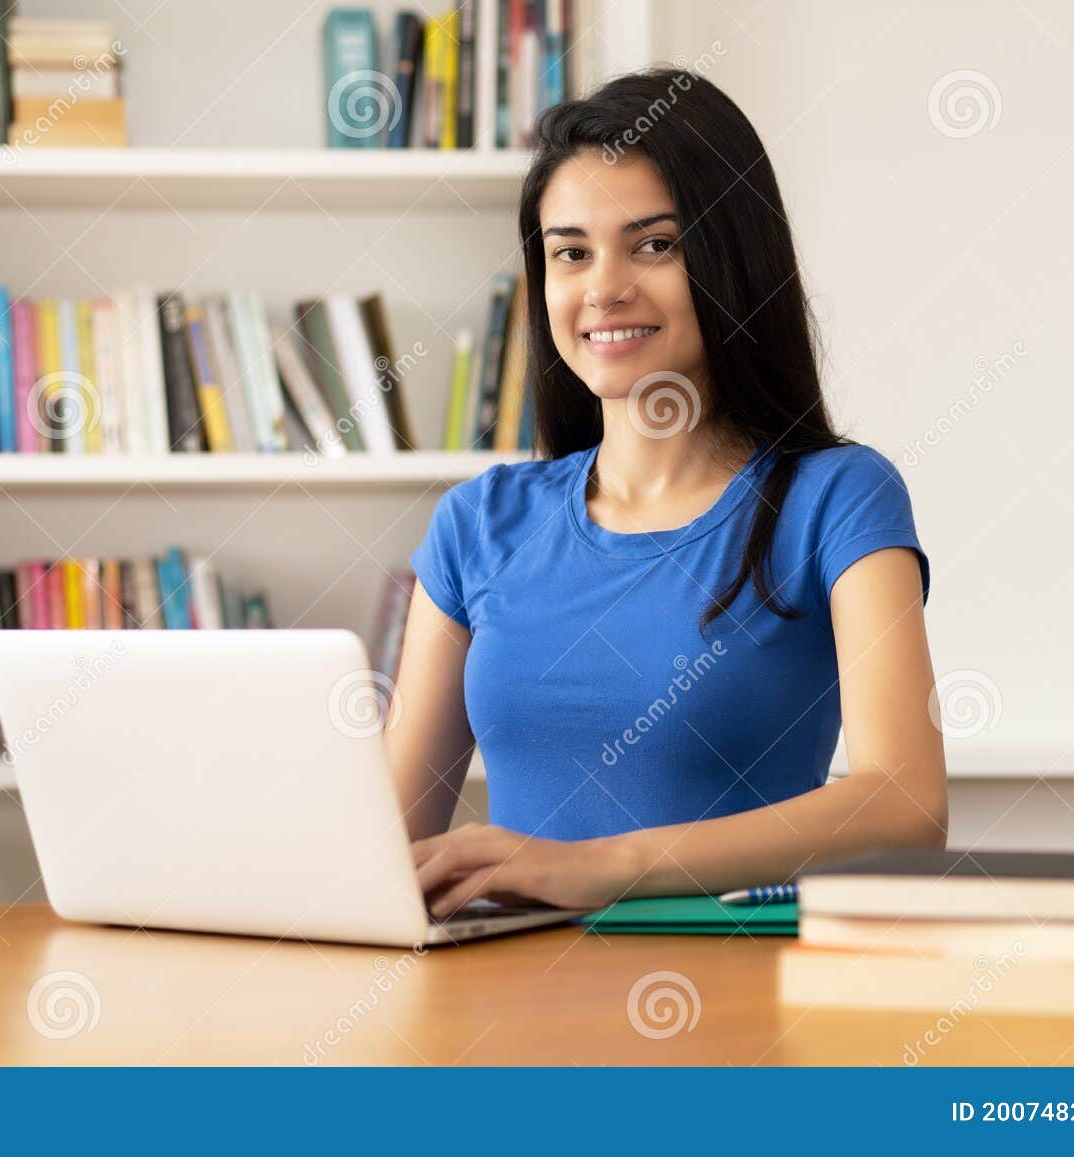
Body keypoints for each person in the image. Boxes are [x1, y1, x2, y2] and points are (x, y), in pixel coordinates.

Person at [386, 68, 947, 919]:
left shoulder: (836, 499)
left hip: (732, 1018)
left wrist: (600, 867)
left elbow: (904, 806)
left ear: (731, 261)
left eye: (655, 244)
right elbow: (387, 848)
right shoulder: (479, 523)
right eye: (571, 252)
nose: (603, 287)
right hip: (503, 1025)